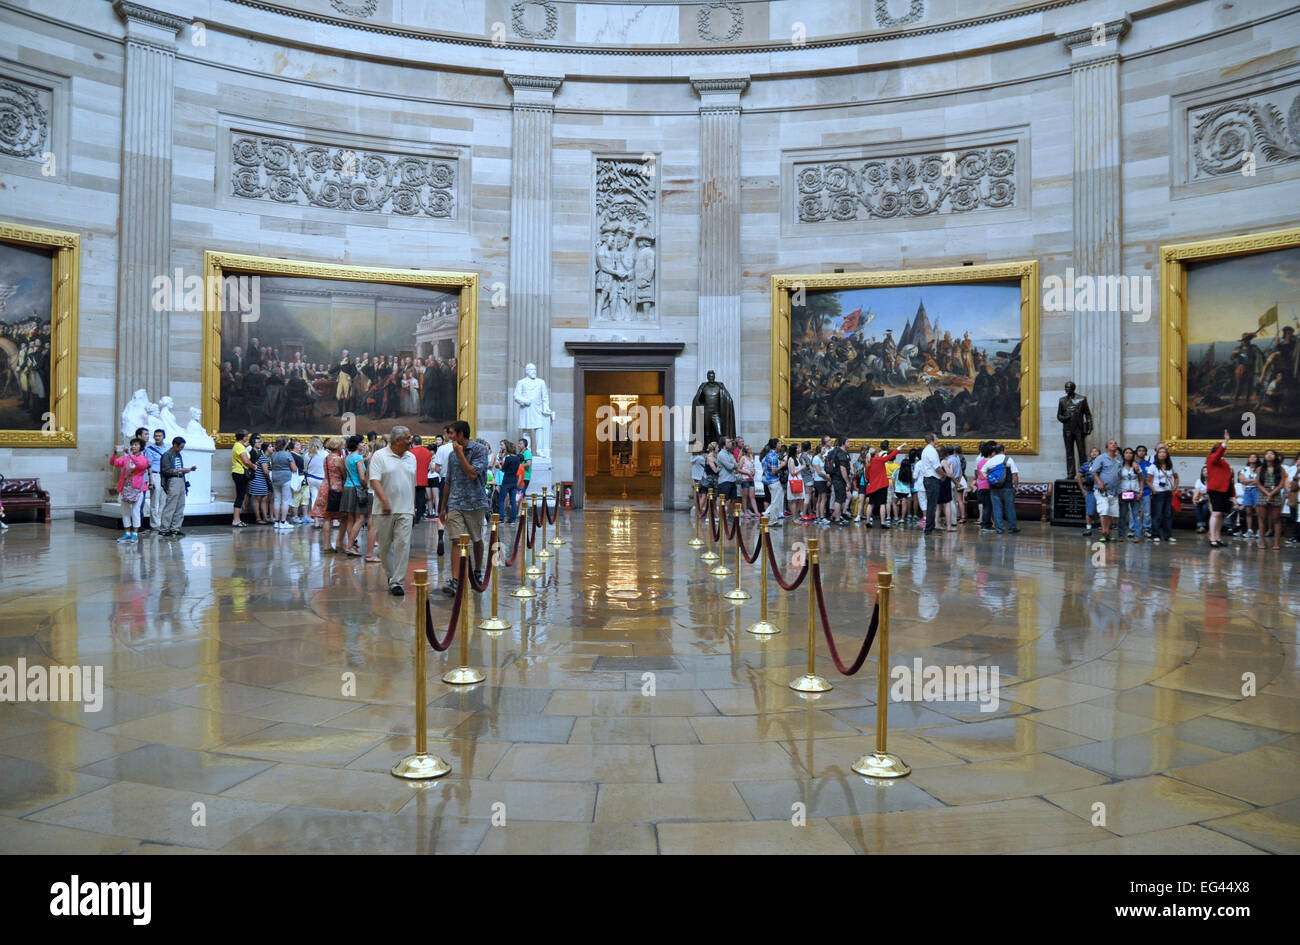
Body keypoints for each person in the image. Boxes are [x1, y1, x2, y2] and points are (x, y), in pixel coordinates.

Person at [441, 419, 489, 597]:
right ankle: (455, 580)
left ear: (461, 434)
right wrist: (443, 507)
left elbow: (472, 474)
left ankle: (477, 569)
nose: (449, 436)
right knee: (456, 540)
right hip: (455, 503)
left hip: (475, 502)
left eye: (452, 433)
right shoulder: (452, 454)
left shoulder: (479, 450)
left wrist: (461, 454)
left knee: (476, 539)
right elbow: (448, 481)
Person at [369, 425, 417, 595]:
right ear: (397, 440)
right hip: (384, 510)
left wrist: (413, 506)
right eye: (408, 438)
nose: (411, 441)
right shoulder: (379, 456)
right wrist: (384, 501)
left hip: (406, 509)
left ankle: (397, 581)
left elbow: (412, 483)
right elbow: (374, 480)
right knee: (384, 546)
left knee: (403, 544)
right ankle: (391, 575)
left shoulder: (411, 457)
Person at [312, 437, 348, 552]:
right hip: (336, 488)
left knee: (327, 517)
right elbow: (344, 474)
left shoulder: (326, 458)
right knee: (344, 516)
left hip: (325, 487)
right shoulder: (338, 459)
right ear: (338, 447)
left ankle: (327, 545)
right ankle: (339, 543)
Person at [157, 436, 196, 539]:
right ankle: (164, 529)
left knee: (180, 505)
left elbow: (179, 468)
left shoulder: (178, 455)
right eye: (180, 447)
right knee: (170, 505)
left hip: (180, 479)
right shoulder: (167, 455)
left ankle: (175, 528)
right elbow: (166, 470)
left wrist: (187, 470)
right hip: (173, 480)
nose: (181, 449)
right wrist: (182, 470)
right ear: (175, 445)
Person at [340, 435, 372, 557]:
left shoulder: (347, 457)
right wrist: (366, 486)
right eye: (362, 442)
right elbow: (362, 477)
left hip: (348, 487)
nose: (364, 444)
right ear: (357, 444)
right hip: (357, 489)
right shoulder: (358, 458)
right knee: (360, 518)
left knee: (350, 519)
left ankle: (351, 545)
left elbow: (345, 473)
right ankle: (349, 546)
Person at [111, 438, 149, 542]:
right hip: (125, 488)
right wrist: (115, 453)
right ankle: (127, 533)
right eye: (132, 445)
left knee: (136, 511)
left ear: (140, 447)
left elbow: (141, 466)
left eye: (136, 445)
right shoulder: (126, 458)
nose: (133, 447)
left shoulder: (143, 458)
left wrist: (130, 455)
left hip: (137, 489)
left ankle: (135, 534)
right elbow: (114, 463)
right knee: (125, 512)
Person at [1206, 430, 1234, 548]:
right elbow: (1217, 455)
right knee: (1216, 513)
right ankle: (1212, 538)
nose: (1226, 451)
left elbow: (1229, 478)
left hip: (1224, 490)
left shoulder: (1224, 462)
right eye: (1225, 450)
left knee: (1220, 514)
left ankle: (1218, 537)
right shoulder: (1212, 457)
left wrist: (1232, 493)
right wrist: (1225, 442)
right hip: (1216, 489)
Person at [1256, 449, 1288, 551]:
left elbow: (1282, 483)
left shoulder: (1280, 469)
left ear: (1275, 456)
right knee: (1262, 519)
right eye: (1267, 454)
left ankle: (1276, 543)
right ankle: (1263, 542)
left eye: (1272, 454)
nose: (1269, 455)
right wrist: (1267, 493)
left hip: (1276, 493)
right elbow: (1258, 483)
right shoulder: (1260, 468)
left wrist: (1272, 493)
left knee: (1276, 519)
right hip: (1263, 493)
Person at [1092, 438, 1123, 543]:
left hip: (1114, 490)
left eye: (1115, 443)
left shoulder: (1119, 458)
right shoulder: (1101, 458)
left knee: (1111, 512)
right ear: (1107, 447)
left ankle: (1107, 532)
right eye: (1111, 443)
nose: (1114, 444)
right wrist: (1099, 482)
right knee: (1104, 509)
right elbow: (1094, 472)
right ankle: (1104, 531)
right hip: (1102, 489)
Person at [986, 442, 1020, 535]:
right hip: (1007, 487)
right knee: (1010, 507)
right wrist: (1016, 486)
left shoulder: (991, 461)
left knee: (996, 508)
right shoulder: (1008, 459)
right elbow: (1015, 474)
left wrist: (991, 479)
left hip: (994, 488)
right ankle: (1012, 528)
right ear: (1003, 450)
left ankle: (999, 529)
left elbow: (982, 471)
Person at [1147, 446, 1179, 543]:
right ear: (1157, 454)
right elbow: (1148, 481)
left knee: (1168, 515)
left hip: (1168, 492)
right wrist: (1154, 490)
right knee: (1157, 515)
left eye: (1164, 452)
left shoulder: (1170, 466)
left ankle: (1168, 535)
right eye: (1160, 452)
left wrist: (1175, 486)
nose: (1162, 454)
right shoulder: (1153, 466)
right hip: (1158, 493)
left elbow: (1176, 477)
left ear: (1167, 455)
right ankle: (1155, 535)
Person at [431, 428, 454, 556]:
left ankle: (440, 536)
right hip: (458, 482)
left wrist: (442, 471)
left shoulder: (442, 449)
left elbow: (437, 468)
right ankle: (455, 538)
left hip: (445, 481)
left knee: (442, 510)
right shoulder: (460, 447)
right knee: (456, 511)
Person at [917, 433, 945, 535]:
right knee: (932, 505)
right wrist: (944, 475)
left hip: (928, 479)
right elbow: (937, 467)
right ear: (932, 439)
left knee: (931, 504)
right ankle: (928, 529)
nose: (938, 438)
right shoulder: (932, 451)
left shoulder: (926, 450)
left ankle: (931, 526)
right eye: (937, 437)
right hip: (932, 480)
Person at [269, 437, 296, 529]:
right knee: (285, 500)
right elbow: (294, 468)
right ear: (285, 444)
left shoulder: (273, 454)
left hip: (275, 477)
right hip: (286, 478)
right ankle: (283, 522)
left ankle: (277, 521)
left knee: (277, 500)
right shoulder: (287, 455)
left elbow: (272, 466)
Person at [143, 428, 167, 530]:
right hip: (155, 475)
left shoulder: (168, 448)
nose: (157, 438)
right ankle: (154, 524)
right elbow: (148, 465)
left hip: (165, 475)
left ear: (163, 437)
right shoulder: (150, 449)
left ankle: (161, 522)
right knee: (154, 501)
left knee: (163, 500)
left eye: (159, 436)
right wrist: (150, 479)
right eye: (156, 436)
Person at [1117, 447, 1143, 542]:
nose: (1128, 454)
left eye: (1130, 453)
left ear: (1133, 455)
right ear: (1123, 455)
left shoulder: (1136, 466)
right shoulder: (1120, 466)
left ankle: (1137, 536)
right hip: (1123, 492)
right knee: (1123, 515)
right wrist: (1118, 493)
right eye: (1126, 452)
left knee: (1136, 515)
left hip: (1135, 492)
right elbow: (1117, 480)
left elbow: (1141, 479)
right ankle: (1121, 535)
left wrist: (1141, 492)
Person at [230, 429, 254, 527]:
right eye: (246, 436)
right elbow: (246, 461)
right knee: (240, 496)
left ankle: (237, 519)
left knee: (241, 495)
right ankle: (236, 519)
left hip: (240, 472)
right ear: (243, 437)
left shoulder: (240, 446)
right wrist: (253, 466)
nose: (247, 437)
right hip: (239, 472)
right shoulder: (239, 446)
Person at [302, 437, 326, 527]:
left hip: (311, 478)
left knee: (314, 498)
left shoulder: (307, 454)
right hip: (322, 478)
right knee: (323, 500)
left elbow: (305, 468)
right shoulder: (325, 453)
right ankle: (322, 519)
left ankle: (316, 521)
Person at [760, 437, 784, 526]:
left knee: (775, 501)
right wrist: (782, 465)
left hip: (768, 480)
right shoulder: (773, 456)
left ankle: (769, 517)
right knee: (775, 501)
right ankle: (770, 518)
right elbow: (774, 471)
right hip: (774, 481)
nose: (780, 445)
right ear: (775, 445)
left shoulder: (767, 455)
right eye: (779, 443)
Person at [409, 435, 433, 523]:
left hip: (412, 478)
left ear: (413, 443)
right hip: (423, 478)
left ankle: (412, 516)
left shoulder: (410, 452)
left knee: (411, 498)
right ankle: (419, 516)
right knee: (420, 498)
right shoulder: (427, 452)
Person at [1238, 453, 1260, 540]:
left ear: (1257, 459)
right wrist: (1251, 481)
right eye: (1250, 456)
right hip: (1247, 490)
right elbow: (1241, 480)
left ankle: (1259, 530)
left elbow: (1258, 481)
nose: (1252, 458)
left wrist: (1248, 481)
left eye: (1254, 456)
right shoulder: (1245, 469)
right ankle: (1249, 530)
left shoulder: (1259, 469)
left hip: (1257, 490)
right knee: (1248, 511)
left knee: (1259, 511)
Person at [1079, 446, 1100, 536]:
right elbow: (1079, 476)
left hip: (1101, 490)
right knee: (1089, 510)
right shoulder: (1086, 464)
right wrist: (1082, 489)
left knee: (1103, 510)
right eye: (1092, 451)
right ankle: (1088, 528)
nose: (1094, 453)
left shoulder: (1103, 463)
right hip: (1090, 489)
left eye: (1096, 451)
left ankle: (1105, 528)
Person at [497, 443, 522, 523]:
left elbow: (503, 469)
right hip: (514, 480)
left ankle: (501, 518)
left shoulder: (508, 458)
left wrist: (499, 466)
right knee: (513, 501)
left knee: (501, 499)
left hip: (507, 480)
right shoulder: (518, 458)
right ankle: (513, 519)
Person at [716, 436, 738, 503]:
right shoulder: (721, 454)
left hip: (732, 479)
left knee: (733, 500)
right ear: (724, 444)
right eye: (728, 442)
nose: (731, 443)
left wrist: (734, 465)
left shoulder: (730, 454)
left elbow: (736, 464)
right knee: (725, 501)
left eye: (730, 442)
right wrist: (733, 465)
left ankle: (730, 514)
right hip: (724, 481)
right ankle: (723, 513)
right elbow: (729, 466)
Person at [739, 446, 759, 518]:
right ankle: (745, 511)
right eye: (749, 449)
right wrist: (746, 473)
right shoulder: (743, 458)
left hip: (751, 478)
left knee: (752, 496)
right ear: (746, 451)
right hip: (745, 478)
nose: (751, 450)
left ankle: (756, 511)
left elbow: (753, 467)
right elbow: (739, 469)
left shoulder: (751, 457)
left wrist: (754, 471)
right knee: (745, 496)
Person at [1192, 466, 1210, 534]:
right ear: (1202, 472)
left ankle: (1201, 527)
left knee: (1205, 508)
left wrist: (1204, 494)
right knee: (1196, 507)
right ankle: (1202, 526)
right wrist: (1194, 499)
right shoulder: (1199, 481)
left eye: (1207, 470)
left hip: (1209, 500)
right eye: (1204, 471)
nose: (1206, 472)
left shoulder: (1212, 480)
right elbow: (1197, 491)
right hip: (1201, 499)